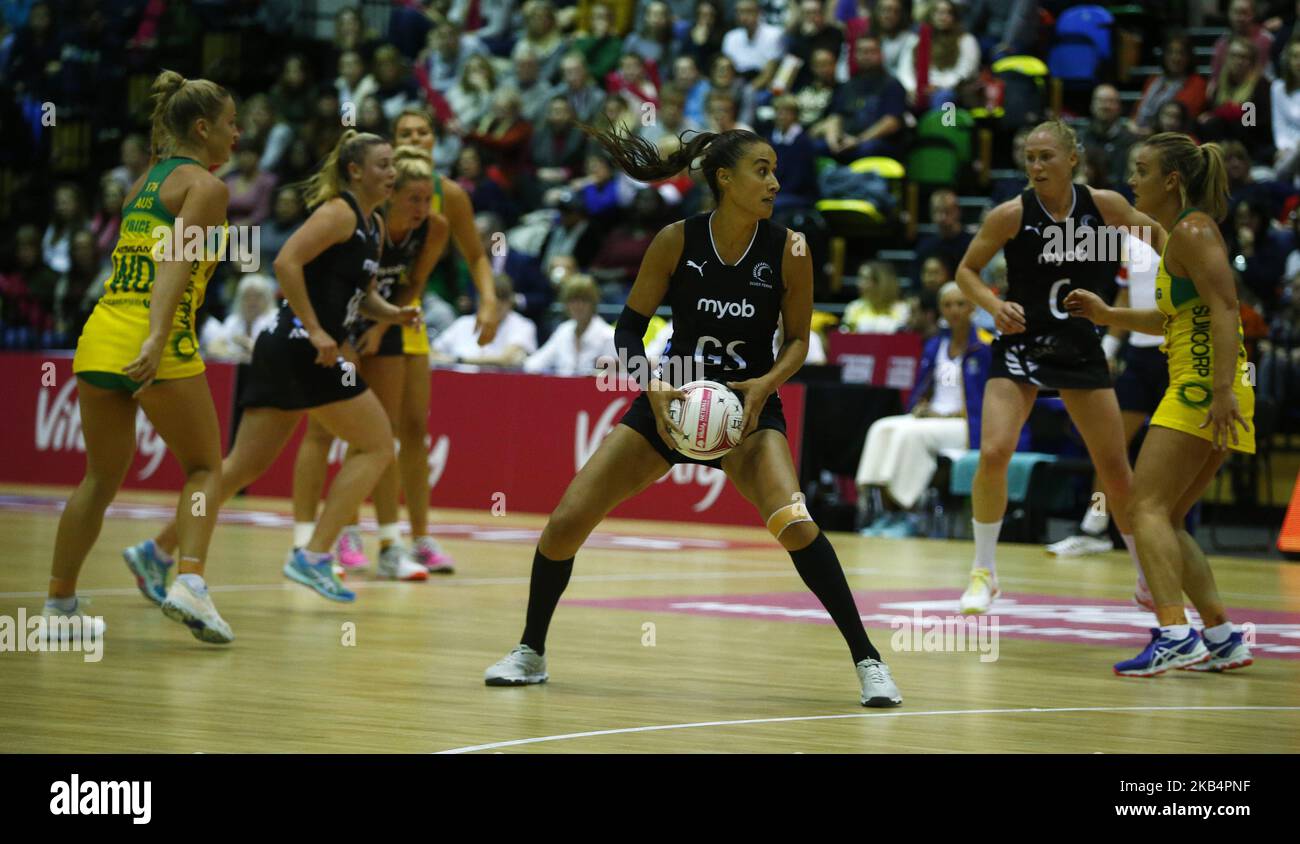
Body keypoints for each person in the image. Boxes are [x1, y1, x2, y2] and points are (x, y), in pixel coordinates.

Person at [482, 122, 903, 707]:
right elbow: (629, 330)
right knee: (565, 523)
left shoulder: (791, 249)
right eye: (762, 171)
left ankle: (869, 660)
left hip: (748, 409)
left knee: (796, 523)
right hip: (674, 399)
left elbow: (798, 341)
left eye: (776, 171)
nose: (775, 183)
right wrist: (651, 384)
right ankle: (531, 650)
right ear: (724, 179)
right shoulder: (675, 239)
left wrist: (766, 385)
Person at [128, 130, 419, 604]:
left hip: (289, 351)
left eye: (393, 165)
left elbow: (359, 294)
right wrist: (317, 329)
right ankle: (314, 556)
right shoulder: (339, 212)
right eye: (383, 164)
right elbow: (286, 263)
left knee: (240, 468)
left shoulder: (374, 225)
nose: (392, 173)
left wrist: (394, 314)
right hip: (302, 348)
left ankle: (155, 552)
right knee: (377, 445)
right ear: (355, 171)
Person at [953, 119, 1167, 615]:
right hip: (1021, 342)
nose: (1036, 166)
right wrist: (993, 304)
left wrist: (1189, 273)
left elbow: (1161, 238)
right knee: (993, 452)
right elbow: (966, 271)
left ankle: (1145, 576)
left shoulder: (1105, 206)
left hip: (1079, 345)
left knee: (1114, 468)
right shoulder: (1011, 214)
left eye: (1046, 156)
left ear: (1073, 158)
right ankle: (984, 571)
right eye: (1030, 157)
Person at [57, 70, 238, 643]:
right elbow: (176, 261)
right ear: (203, 128)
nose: (237, 135)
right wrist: (158, 337)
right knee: (205, 468)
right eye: (230, 123)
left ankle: (58, 609)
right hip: (154, 341)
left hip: (101, 335)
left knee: (99, 478)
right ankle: (190, 582)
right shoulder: (206, 188)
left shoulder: (144, 183)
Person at [1066, 133, 1255, 676]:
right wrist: (1109, 315)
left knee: (1140, 507)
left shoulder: (1194, 230)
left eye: (1142, 170)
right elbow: (1172, 318)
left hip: (1202, 387)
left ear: (1172, 180)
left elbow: (1227, 308)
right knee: (1166, 517)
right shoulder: (1180, 237)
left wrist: (1221, 391)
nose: (1133, 180)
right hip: (1207, 385)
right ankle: (1221, 636)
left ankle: (1174, 633)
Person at [290, 145, 452, 581]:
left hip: (385, 321)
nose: (422, 208)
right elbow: (331, 279)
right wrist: (337, 335)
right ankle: (319, 539)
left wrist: (383, 327)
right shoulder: (359, 220)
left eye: (428, 199)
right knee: (323, 431)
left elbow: (412, 284)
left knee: (385, 433)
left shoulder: (430, 228)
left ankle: (389, 543)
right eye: (413, 198)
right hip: (339, 327)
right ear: (391, 194)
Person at [857, 282, 989, 537]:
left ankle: (910, 513)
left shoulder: (984, 347)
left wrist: (947, 415)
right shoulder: (935, 345)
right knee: (881, 428)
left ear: (972, 307)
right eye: (948, 305)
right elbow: (924, 387)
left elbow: (986, 399)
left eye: (960, 304)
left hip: (967, 425)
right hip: (934, 418)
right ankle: (884, 509)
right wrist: (921, 406)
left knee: (911, 435)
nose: (954, 310)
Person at [524, 273, 616, 375]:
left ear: (594, 303)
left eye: (584, 300)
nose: (578, 306)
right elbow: (533, 364)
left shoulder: (609, 337)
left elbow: (618, 377)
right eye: (573, 300)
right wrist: (520, 357)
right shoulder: (563, 330)